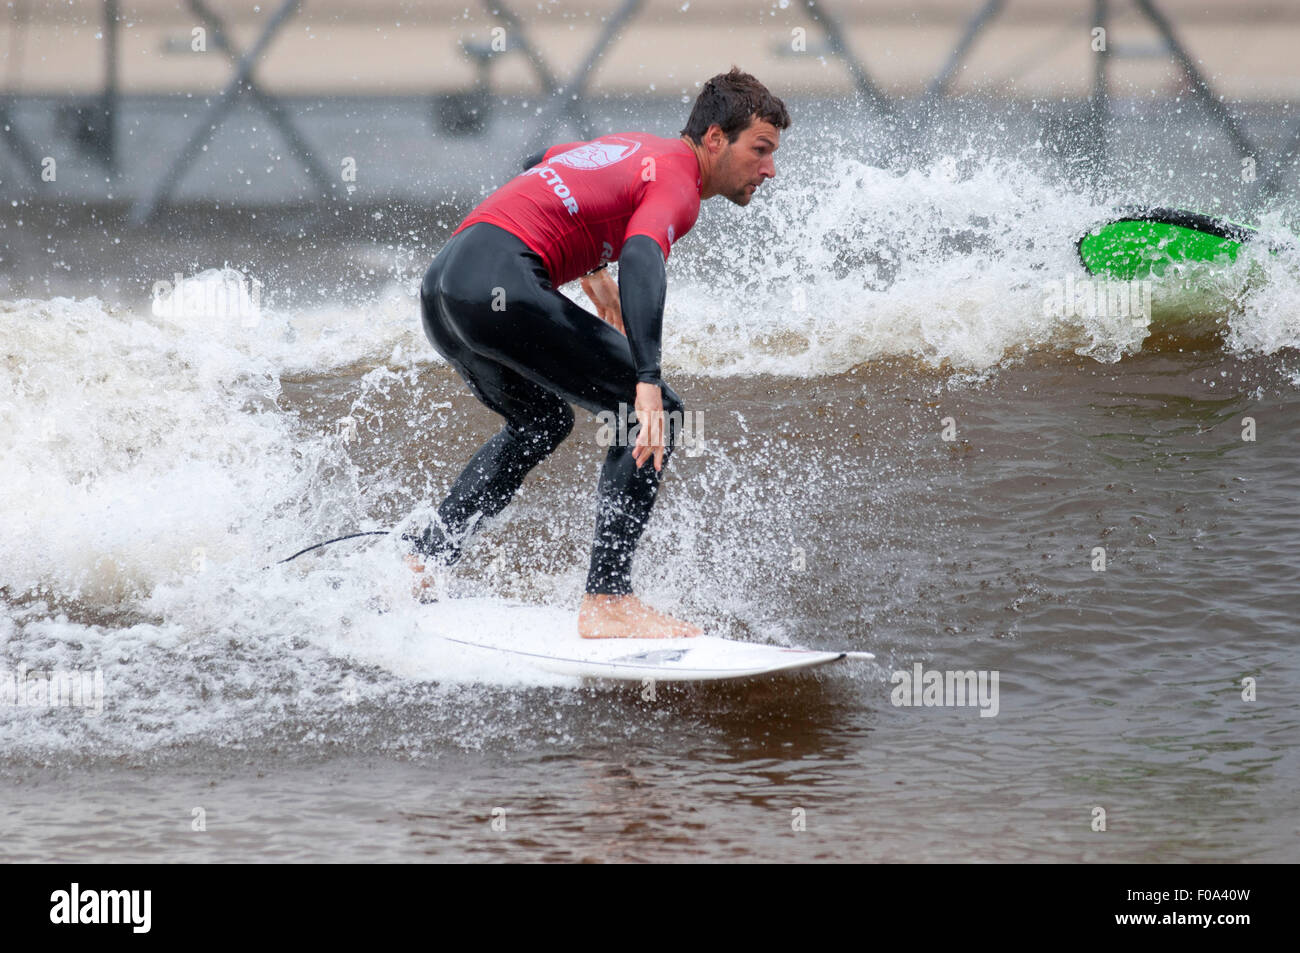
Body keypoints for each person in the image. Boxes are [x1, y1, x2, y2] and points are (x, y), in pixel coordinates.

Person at [407, 67, 790, 638]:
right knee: (654, 414)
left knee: (539, 422)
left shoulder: (631, 147)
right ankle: (608, 600)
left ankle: (425, 558)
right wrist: (647, 378)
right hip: (499, 282)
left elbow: (542, 160)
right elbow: (642, 258)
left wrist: (588, 266)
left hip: (445, 287)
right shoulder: (679, 186)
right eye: (759, 150)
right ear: (715, 140)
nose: (769, 169)